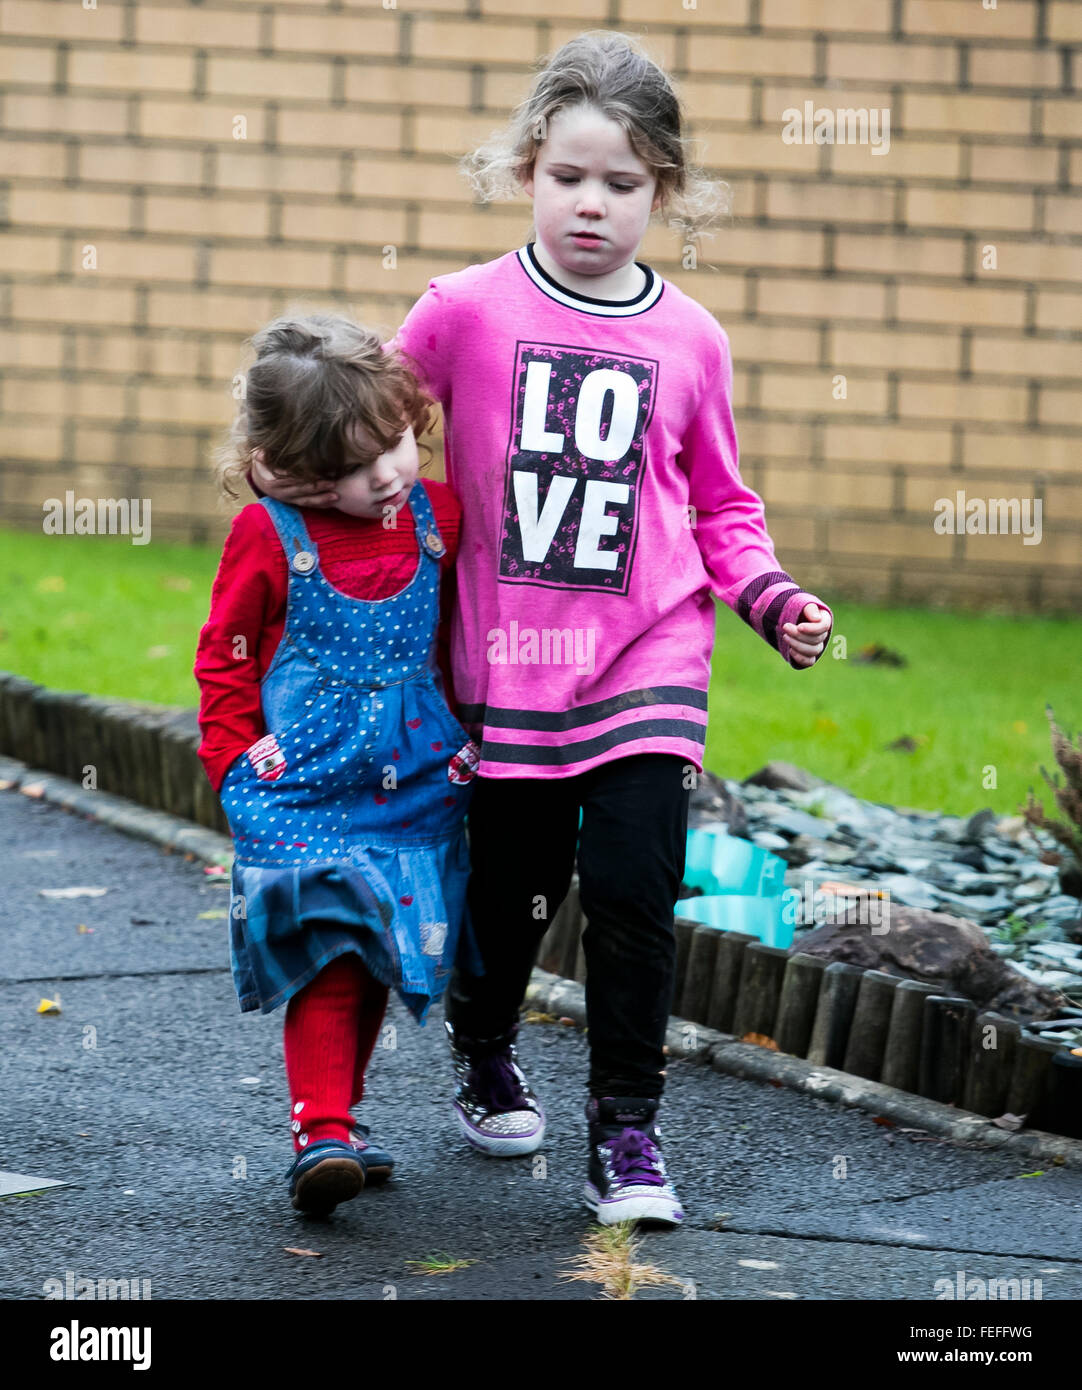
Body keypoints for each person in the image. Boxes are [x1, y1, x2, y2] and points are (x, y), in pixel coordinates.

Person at [250, 31, 835, 1226]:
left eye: (621, 184)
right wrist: (294, 525)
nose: (590, 204)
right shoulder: (461, 312)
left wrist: (766, 594)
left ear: (661, 192)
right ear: (526, 167)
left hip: (647, 659)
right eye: (568, 176)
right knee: (512, 889)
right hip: (501, 672)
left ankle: (625, 1135)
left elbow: (719, 501)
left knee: (630, 888)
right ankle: (482, 1039)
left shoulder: (692, 339)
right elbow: (369, 440)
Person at [194, 311, 482, 1216]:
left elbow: (460, 636)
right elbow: (227, 654)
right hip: (303, 788)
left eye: (395, 445)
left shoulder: (440, 517)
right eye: (355, 471)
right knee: (328, 946)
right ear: (293, 472)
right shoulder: (270, 535)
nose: (389, 474)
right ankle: (319, 1129)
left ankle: (338, 1127)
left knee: (375, 945)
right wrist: (234, 760)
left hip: (416, 779)